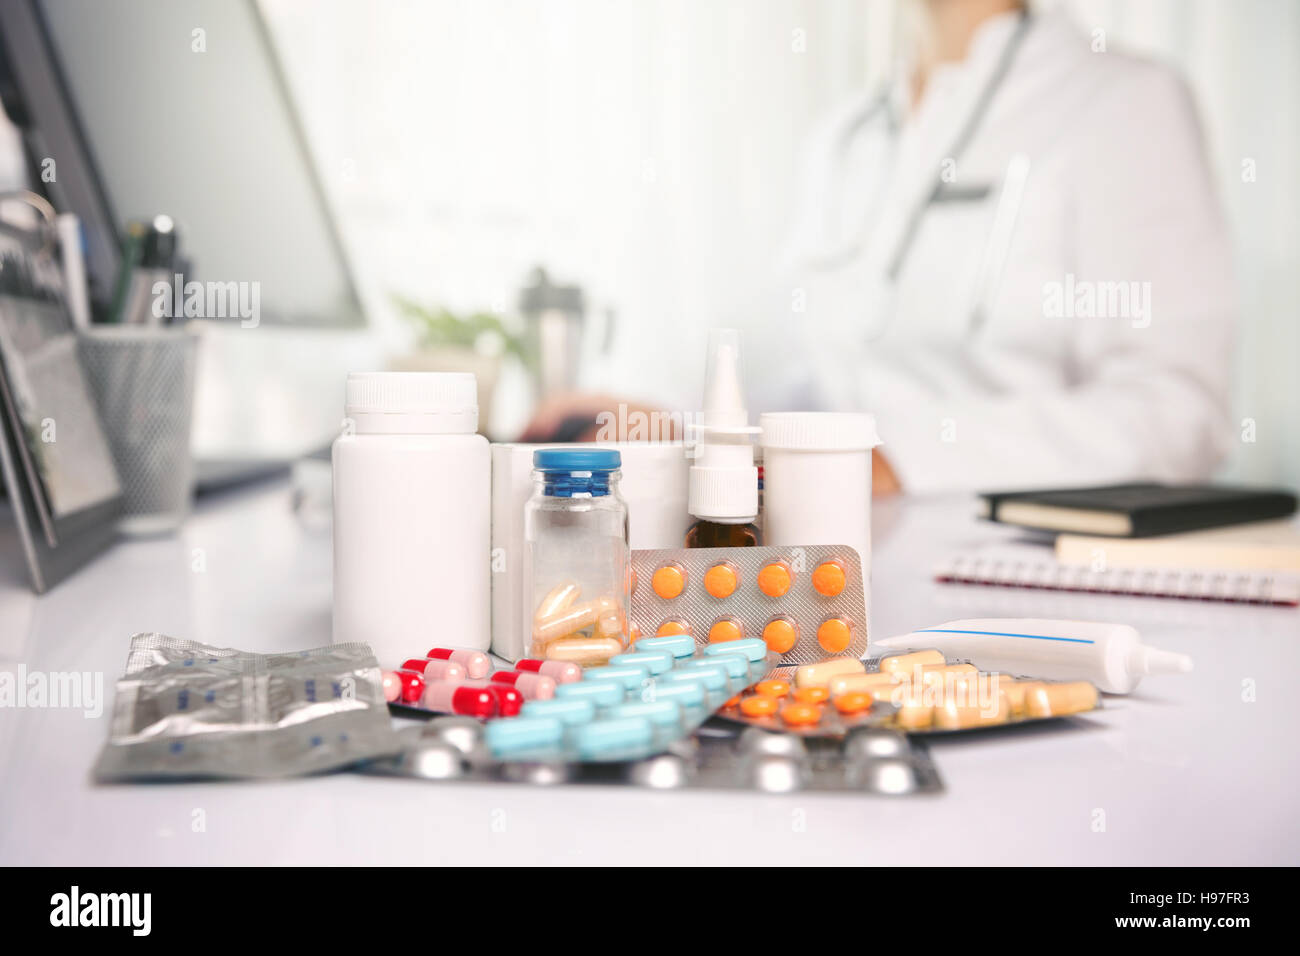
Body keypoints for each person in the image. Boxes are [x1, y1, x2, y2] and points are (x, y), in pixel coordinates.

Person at [527, 0, 1235, 496]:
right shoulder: (846, 137)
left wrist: (900, 456)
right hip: (835, 558)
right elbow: (821, 375)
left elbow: (1180, 417)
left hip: (1022, 579)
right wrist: (679, 425)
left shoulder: (1125, 104)